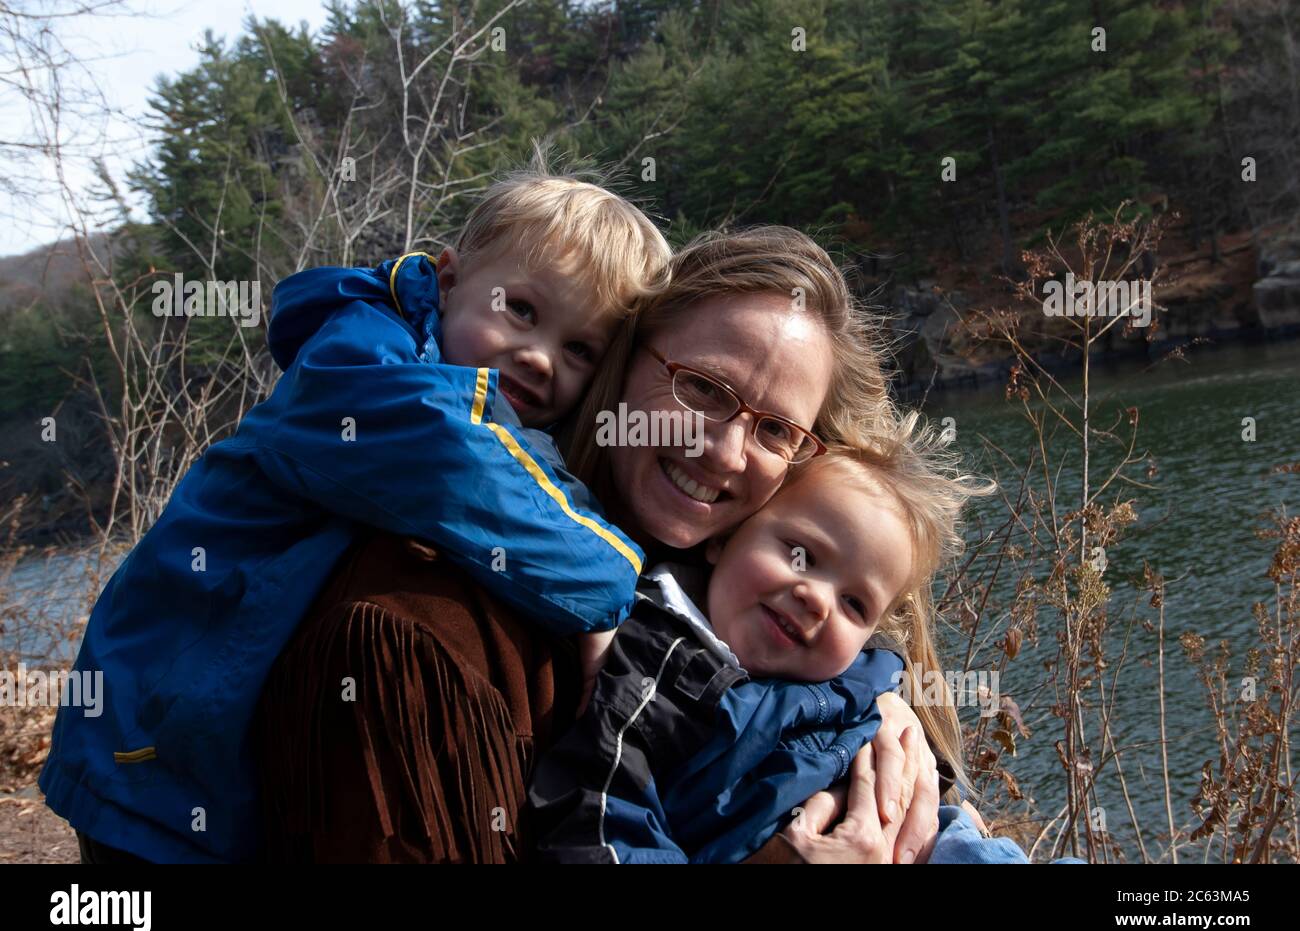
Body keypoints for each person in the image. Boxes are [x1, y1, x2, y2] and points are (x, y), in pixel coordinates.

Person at [255, 226, 951, 863]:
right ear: (620, 362)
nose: (724, 451)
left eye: (775, 431)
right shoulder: (418, 630)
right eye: (701, 388)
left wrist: (870, 688)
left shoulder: (769, 629)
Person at [43, 159, 672, 863]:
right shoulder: (367, 366)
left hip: (211, 734)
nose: (538, 357)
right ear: (449, 277)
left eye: (579, 349)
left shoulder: (468, 403)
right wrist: (615, 584)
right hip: (153, 737)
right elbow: (461, 471)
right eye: (522, 311)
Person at [530, 411, 991, 863]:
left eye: (855, 604)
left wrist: (949, 789)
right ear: (723, 540)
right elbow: (601, 815)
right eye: (801, 555)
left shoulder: (861, 672)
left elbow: (916, 764)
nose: (818, 600)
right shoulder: (654, 664)